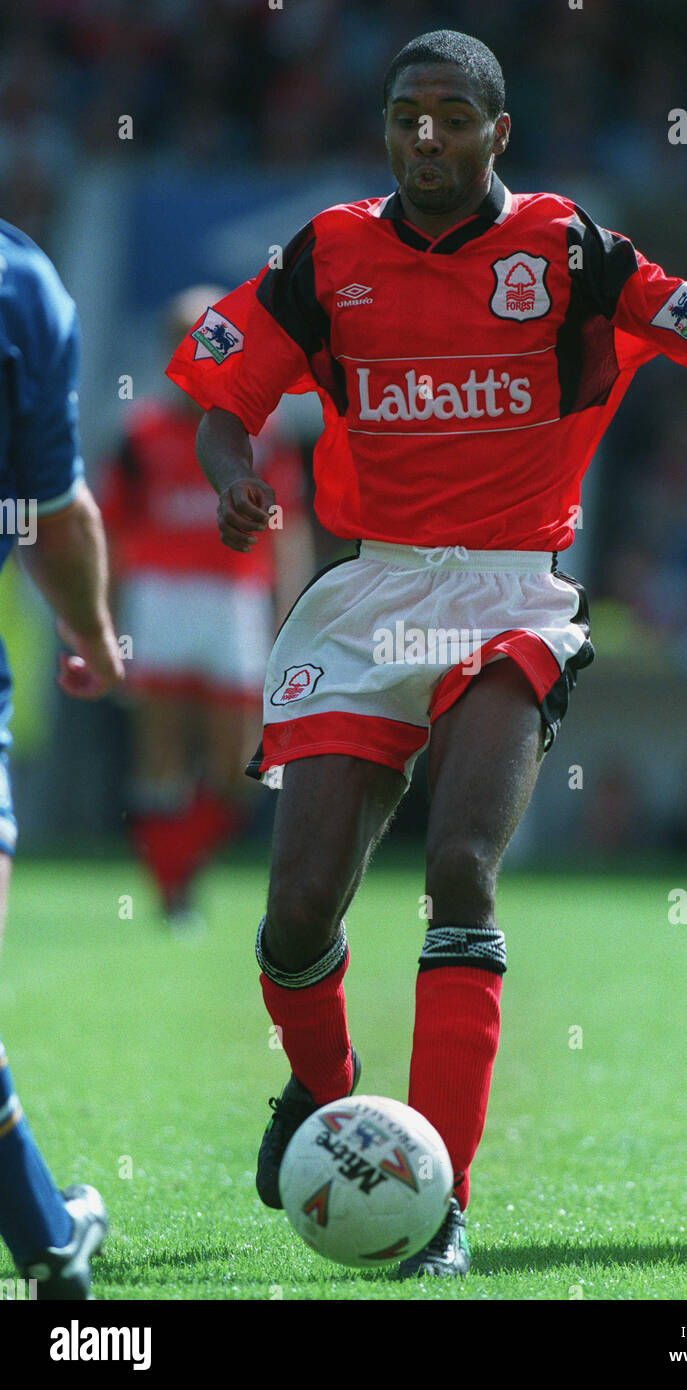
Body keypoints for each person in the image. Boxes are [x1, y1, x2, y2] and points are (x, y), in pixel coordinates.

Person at [165, 30, 687, 1277]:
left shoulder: (569, 251)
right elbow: (224, 398)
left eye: (448, 116)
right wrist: (230, 481)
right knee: (294, 916)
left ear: (496, 132)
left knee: (462, 869)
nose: (423, 137)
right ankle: (320, 1088)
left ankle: (441, 1201)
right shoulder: (327, 254)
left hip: (508, 594)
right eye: (403, 116)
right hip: (366, 591)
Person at [100, 286, 314, 930]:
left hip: (235, 598)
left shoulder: (263, 432)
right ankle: (171, 891)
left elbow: (289, 528)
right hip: (159, 596)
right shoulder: (141, 434)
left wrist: (290, 613)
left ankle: (179, 864)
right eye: (179, 338)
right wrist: (105, 618)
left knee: (238, 765)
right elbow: (112, 530)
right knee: (159, 755)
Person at [0, 219, 124, 1297]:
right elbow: (55, 510)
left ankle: (45, 1231)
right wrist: (91, 633)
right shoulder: (17, 280)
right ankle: (45, 1234)